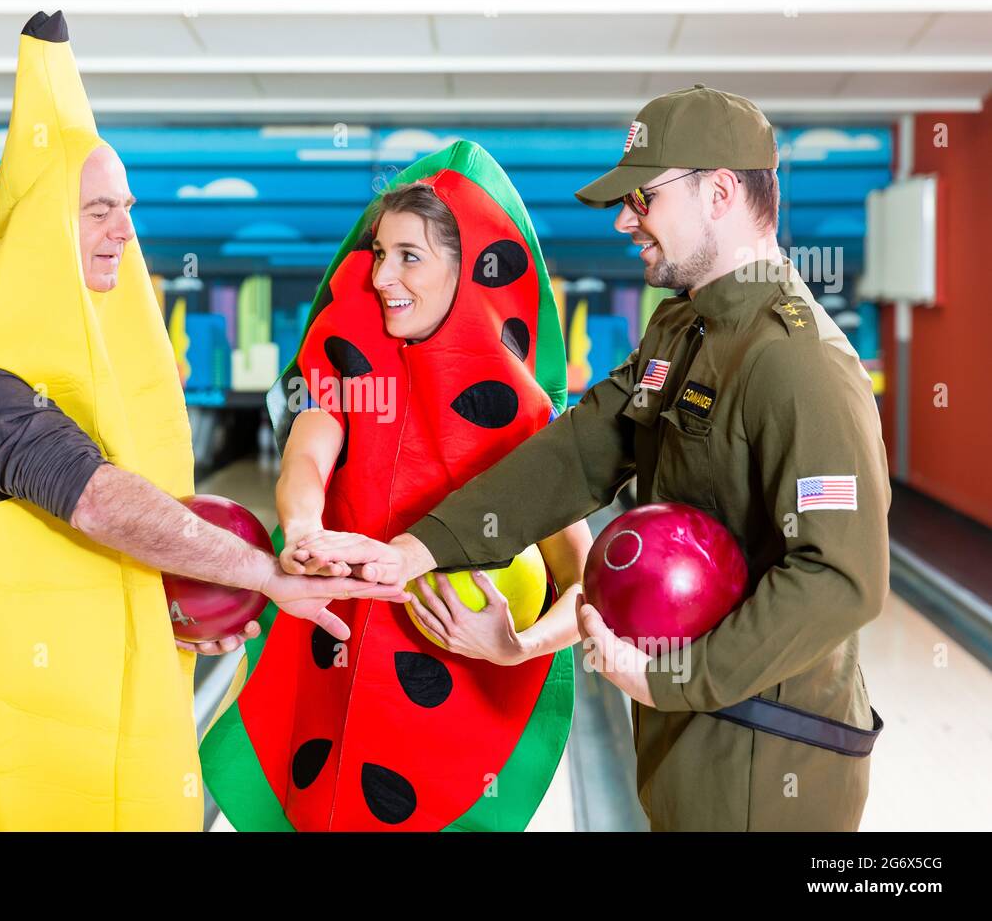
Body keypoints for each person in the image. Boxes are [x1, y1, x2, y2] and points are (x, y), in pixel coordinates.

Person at [296, 85, 889, 831]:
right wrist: (412, 553)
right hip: (693, 723)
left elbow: (840, 579)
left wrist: (673, 678)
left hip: (766, 747)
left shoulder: (798, 362)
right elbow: (576, 454)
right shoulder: (683, 328)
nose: (624, 219)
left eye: (643, 197)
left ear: (722, 192)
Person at [0, 11, 400, 832]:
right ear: (43, 225)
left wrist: (179, 606)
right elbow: (99, 500)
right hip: (12, 732)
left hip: (78, 706)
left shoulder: (76, 364)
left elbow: (64, 555)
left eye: (127, 207)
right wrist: (258, 575)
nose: (125, 229)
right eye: (97, 211)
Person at [200, 140, 591, 831]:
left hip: (455, 717)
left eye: (410, 256)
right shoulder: (347, 362)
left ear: (465, 272)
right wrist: (305, 527)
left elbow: (591, 583)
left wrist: (513, 647)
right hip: (333, 676)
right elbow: (307, 460)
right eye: (378, 254)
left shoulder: (524, 418)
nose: (384, 276)